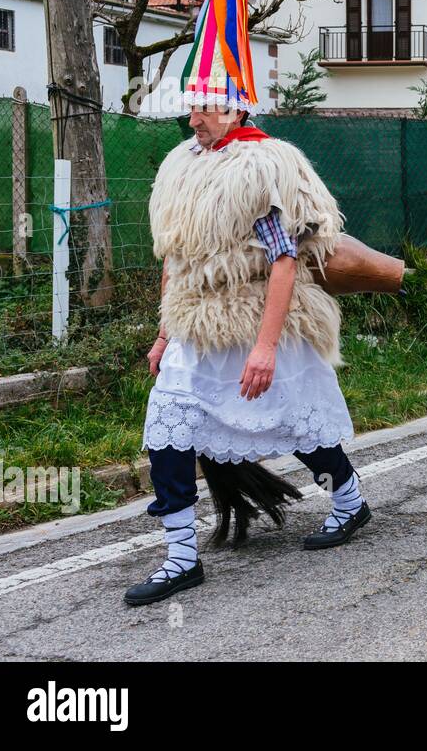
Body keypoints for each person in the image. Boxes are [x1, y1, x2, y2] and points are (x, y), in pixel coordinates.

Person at [126, 105, 372, 606]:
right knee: (167, 425)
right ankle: (181, 558)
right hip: (195, 327)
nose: (195, 119)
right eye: (191, 107)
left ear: (237, 108)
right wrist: (163, 334)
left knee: (300, 428)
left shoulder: (259, 169)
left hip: (258, 322)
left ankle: (349, 502)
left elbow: (283, 260)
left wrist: (264, 349)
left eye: (208, 108)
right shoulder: (184, 167)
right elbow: (175, 258)